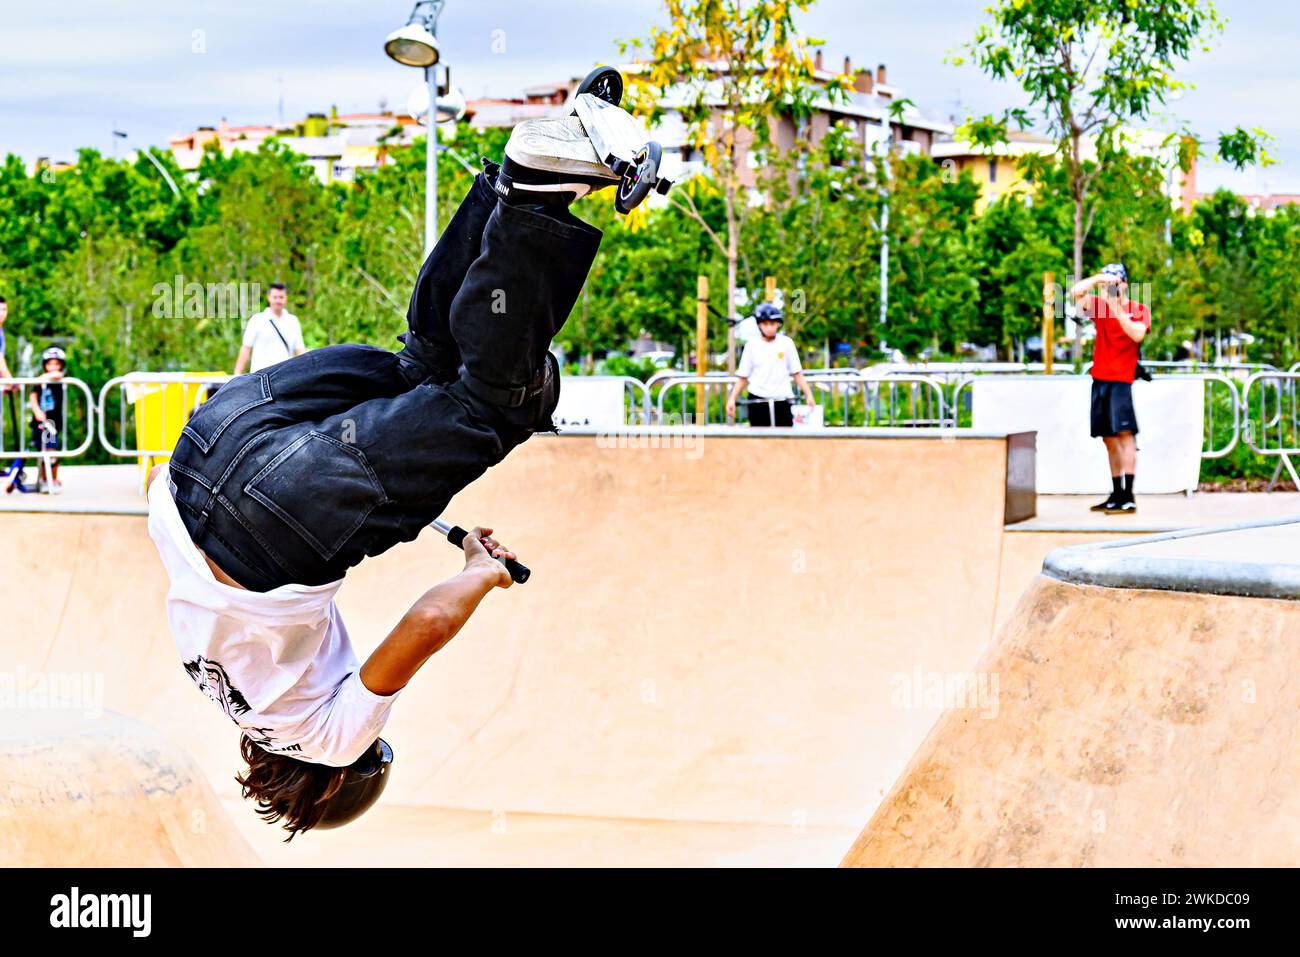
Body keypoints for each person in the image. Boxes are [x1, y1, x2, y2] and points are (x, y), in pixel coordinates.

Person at [147, 104, 628, 839]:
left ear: (341, 775)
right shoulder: (237, 695)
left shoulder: (327, 741)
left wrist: (480, 571)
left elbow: (428, 622)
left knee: (488, 410)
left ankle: (533, 199)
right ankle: (516, 182)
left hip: (277, 521)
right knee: (424, 371)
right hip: (208, 446)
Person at [1071, 262, 1151, 514]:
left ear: (1125, 285)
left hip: (1121, 380)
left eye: (1116, 283)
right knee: (1108, 439)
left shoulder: (1139, 310)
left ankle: (1128, 495)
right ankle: (1115, 493)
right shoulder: (1099, 307)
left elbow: (1137, 334)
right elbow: (1075, 294)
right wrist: (1097, 279)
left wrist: (1117, 307)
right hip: (1101, 378)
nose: (1112, 288)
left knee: (1126, 436)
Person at [725, 303, 817, 426]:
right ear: (759, 325)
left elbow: (796, 373)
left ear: (778, 324)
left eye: (772, 324)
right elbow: (743, 377)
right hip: (758, 399)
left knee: (785, 440)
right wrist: (732, 399)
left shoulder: (786, 343)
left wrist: (809, 395)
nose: (769, 328)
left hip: (782, 400)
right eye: (765, 324)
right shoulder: (751, 346)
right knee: (759, 441)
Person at [233, 282, 307, 374]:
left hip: (285, 376)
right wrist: (236, 374)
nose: (278, 300)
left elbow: (299, 350)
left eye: (281, 297)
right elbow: (246, 348)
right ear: (269, 298)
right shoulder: (257, 320)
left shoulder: (293, 321)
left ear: (286, 298)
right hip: (261, 377)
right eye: (275, 297)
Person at [28, 346, 67, 493]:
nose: (53, 367)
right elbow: (33, 394)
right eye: (49, 364)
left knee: (51, 451)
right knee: (42, 451)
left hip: (52, 423)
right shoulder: (40, 381)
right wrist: (37, 410)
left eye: (56, 364)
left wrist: (43, 378)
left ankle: (53, 479)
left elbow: (58, 375)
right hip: (39, 422)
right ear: (44, 365)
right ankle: (44, 479)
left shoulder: (57, 378)